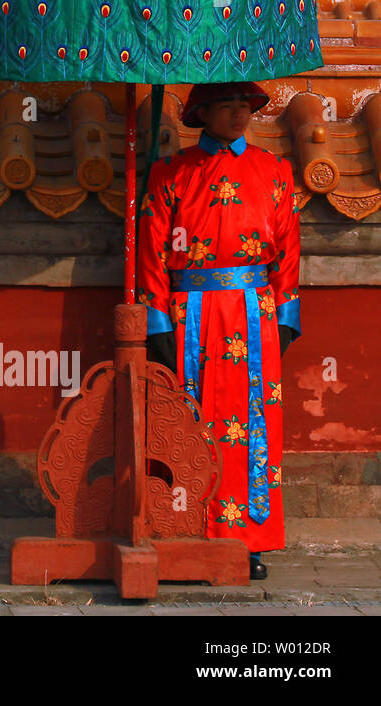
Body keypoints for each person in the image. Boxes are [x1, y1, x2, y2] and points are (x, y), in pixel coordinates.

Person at [136, 82, 301, 581]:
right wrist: (157, 320)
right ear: (202, 112)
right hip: (190, 315)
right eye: (227, 105)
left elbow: (288, 248)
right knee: (191, 419)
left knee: (251, 428)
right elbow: (151, 251)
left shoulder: (274, 171)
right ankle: (184, 530)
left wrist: (286, 314)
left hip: (254, 315)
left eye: (245, 106)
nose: (239, 115)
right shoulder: (171, 174)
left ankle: (245, 541)